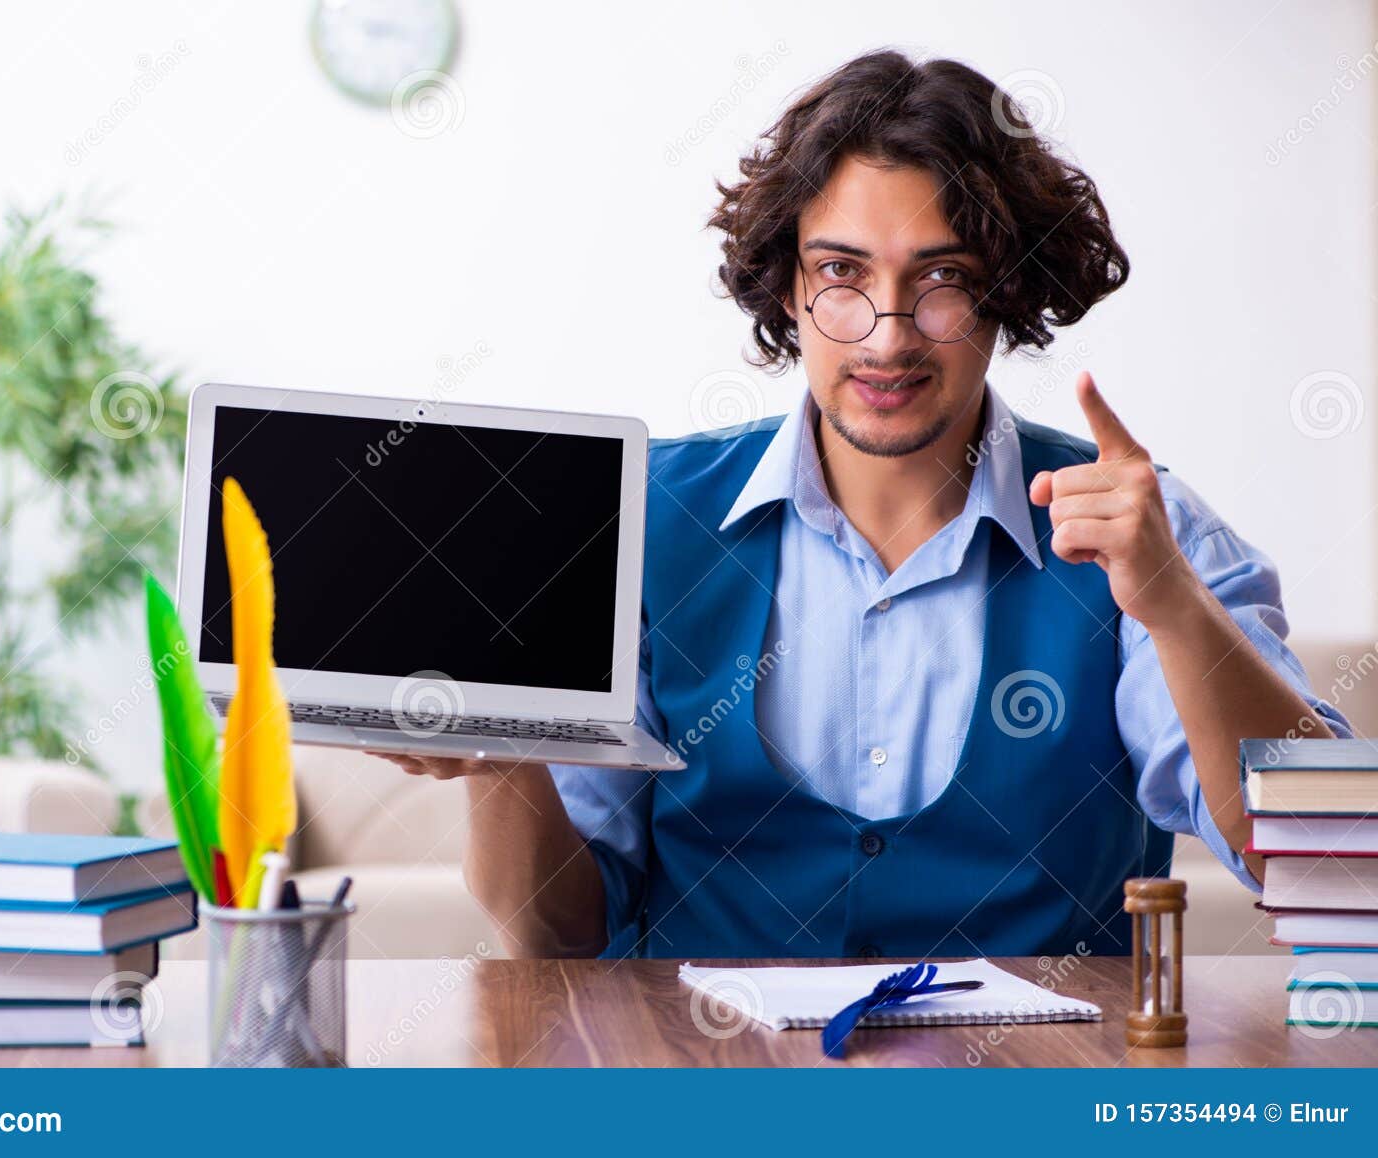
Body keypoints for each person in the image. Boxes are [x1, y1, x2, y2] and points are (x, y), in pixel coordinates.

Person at [367, 49, 1347, 959]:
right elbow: (561, 938)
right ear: (787, 289)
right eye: (842, 274)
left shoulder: (1148, 536)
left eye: (943, 280)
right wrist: (501, 753)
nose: (887, 337)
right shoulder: (638, 523)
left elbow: (1324, 863)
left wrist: (1175, 609)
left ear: (1006, 294)